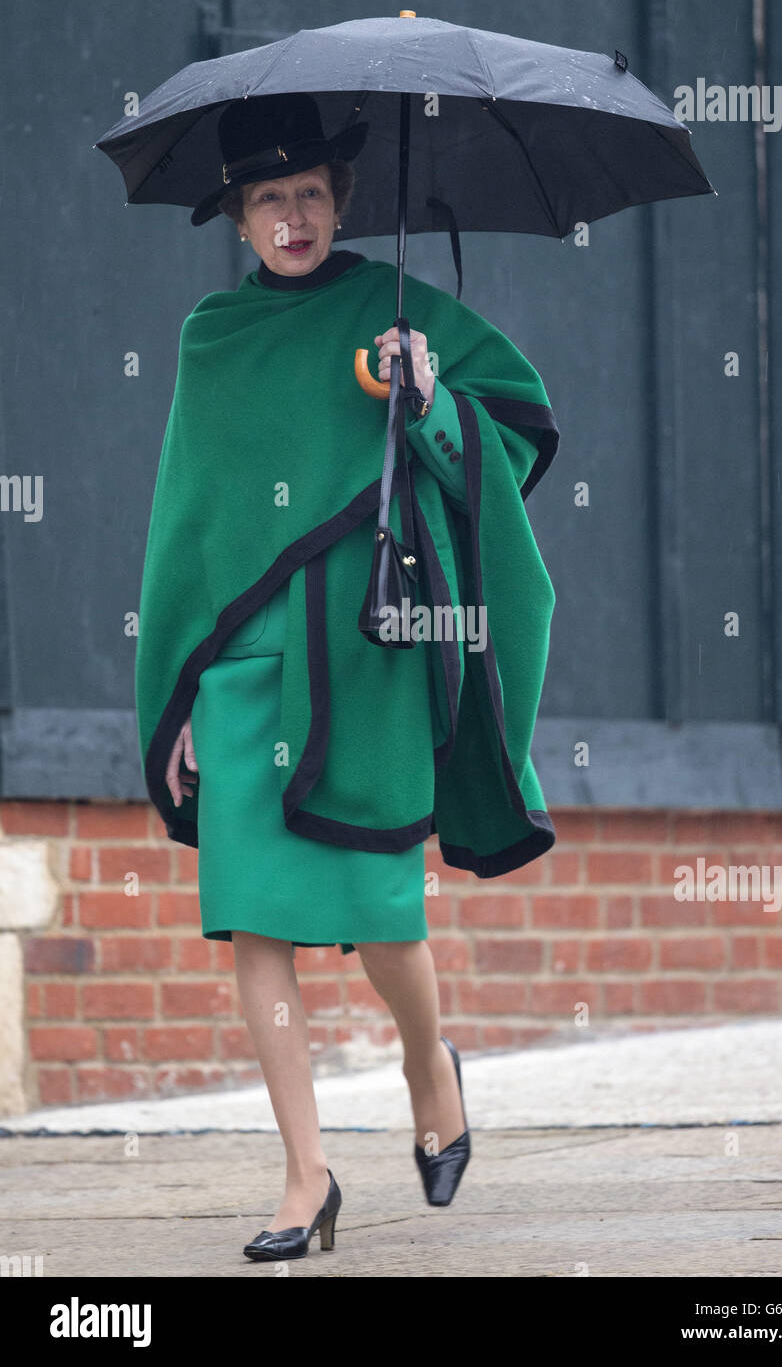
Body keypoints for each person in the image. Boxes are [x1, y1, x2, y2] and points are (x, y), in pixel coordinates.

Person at [134, 93, 560, 1261]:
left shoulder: (399, 311)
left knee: (381, 915)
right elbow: (189, 531)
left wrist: (425, 399)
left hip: (366, 658)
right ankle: (303, 1175)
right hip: (241, 677)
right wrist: (180, 687)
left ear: (341, 201)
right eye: (268, 198)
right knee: (256, 930)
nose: (292, 217)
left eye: (310, 194)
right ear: (236, 217)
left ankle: (431, 1067)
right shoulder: (210, 342)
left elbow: (512, 430)